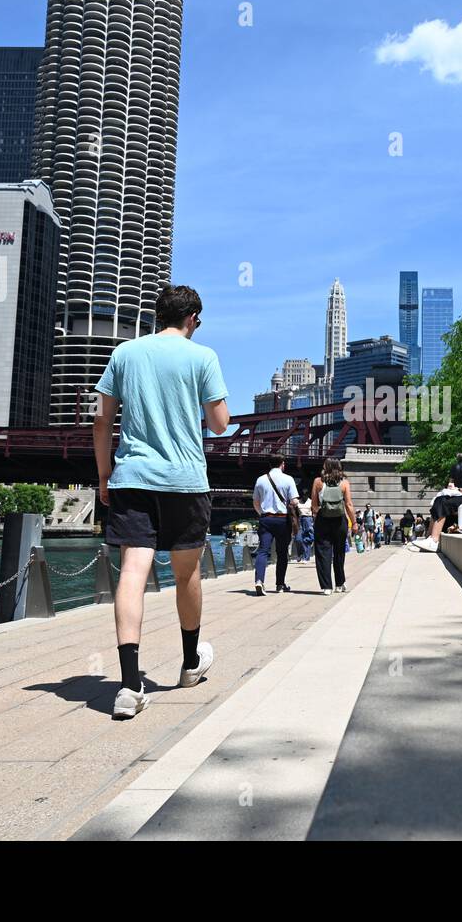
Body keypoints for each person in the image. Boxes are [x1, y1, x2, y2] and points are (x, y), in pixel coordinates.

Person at [94, 284, 228, 720]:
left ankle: (129, 687)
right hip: (185, 481)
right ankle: (190, 664)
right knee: (187, 573)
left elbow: (101, 419)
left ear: (158, 315)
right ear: (193, 319)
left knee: (134, 570)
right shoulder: (202, 357)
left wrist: (104, 475)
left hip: (132, 477)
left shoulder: (125, 353)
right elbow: (221, 424)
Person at [253, 457, 299, 595]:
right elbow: (294, 501)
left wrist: (262, 513)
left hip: (266, 519)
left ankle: (259, 581)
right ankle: (280, 584)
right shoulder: (288, 479)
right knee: (282, 553)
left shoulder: (260, 479)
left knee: (262, 551)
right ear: (282, 464)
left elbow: (255, 501)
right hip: (283, 520)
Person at [311, 457, 357, 593]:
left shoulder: (318, 482)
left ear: (327, 466)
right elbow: (348, 504)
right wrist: (354, 522)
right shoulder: (344, 483)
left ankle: (326, 587)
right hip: (340, 520)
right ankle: (339, 584)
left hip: (322, 520)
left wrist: (317, 515)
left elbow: (314, 505)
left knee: (323, 553)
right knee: (339, 552)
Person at [295, 494, 314, 563]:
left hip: (308, 519)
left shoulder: (311, 501)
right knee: (298, 538)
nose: (304, 495)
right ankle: (300, 554)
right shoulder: (298, 502)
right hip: (300, 519)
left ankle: (306, 557)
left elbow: (314, 511)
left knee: (307, 539)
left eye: (306, 493)